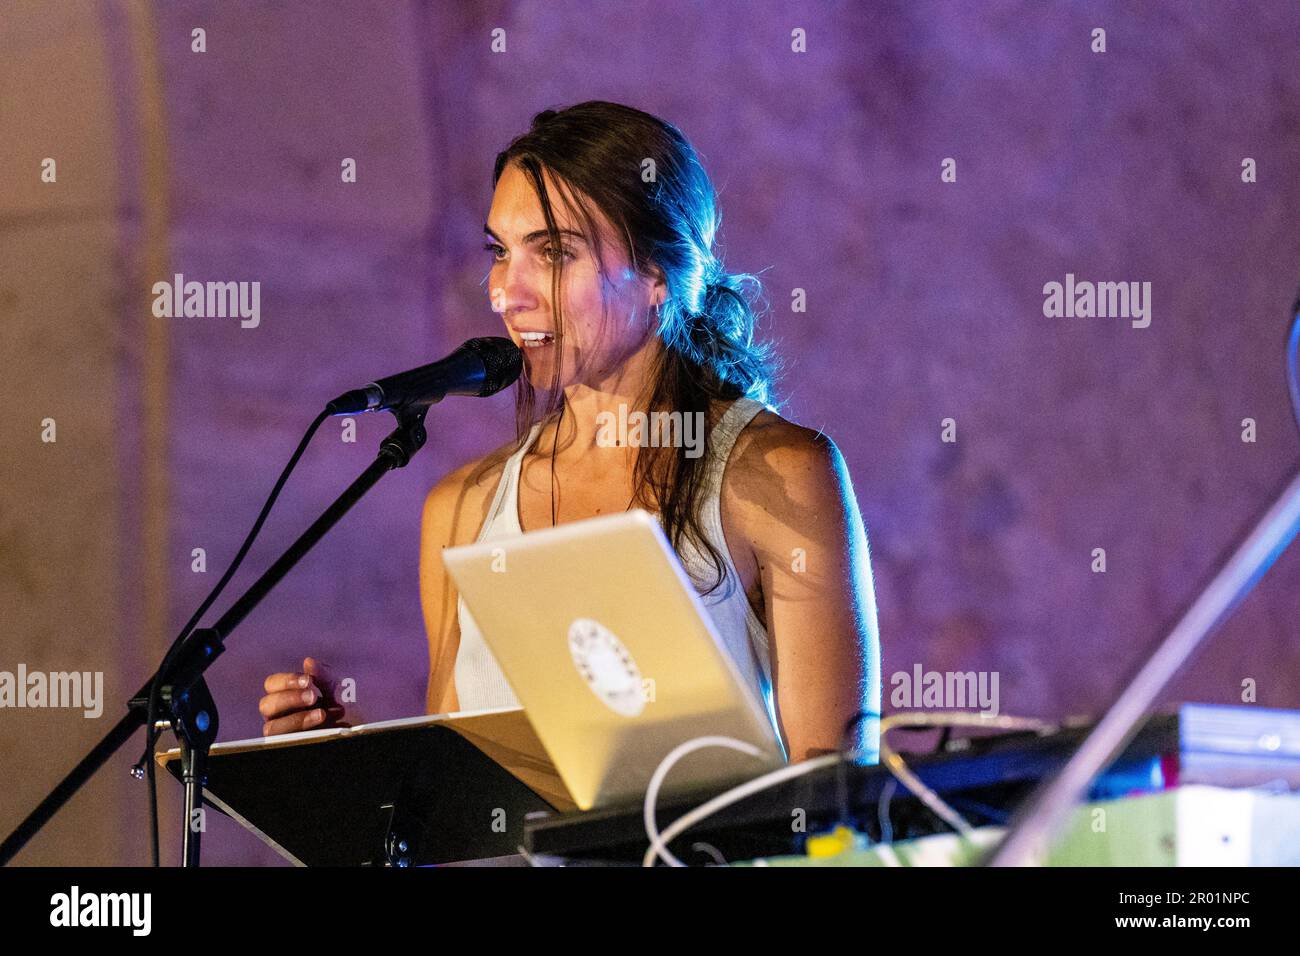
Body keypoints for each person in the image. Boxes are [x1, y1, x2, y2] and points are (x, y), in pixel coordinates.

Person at [258, 101, 881, 762]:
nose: (505, 292)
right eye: (500, 251)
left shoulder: (780, 472)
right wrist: (344, 773)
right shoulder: (461, 510)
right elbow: (458, 817)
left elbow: (835, 797)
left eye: (553, 253)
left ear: (657, 275)